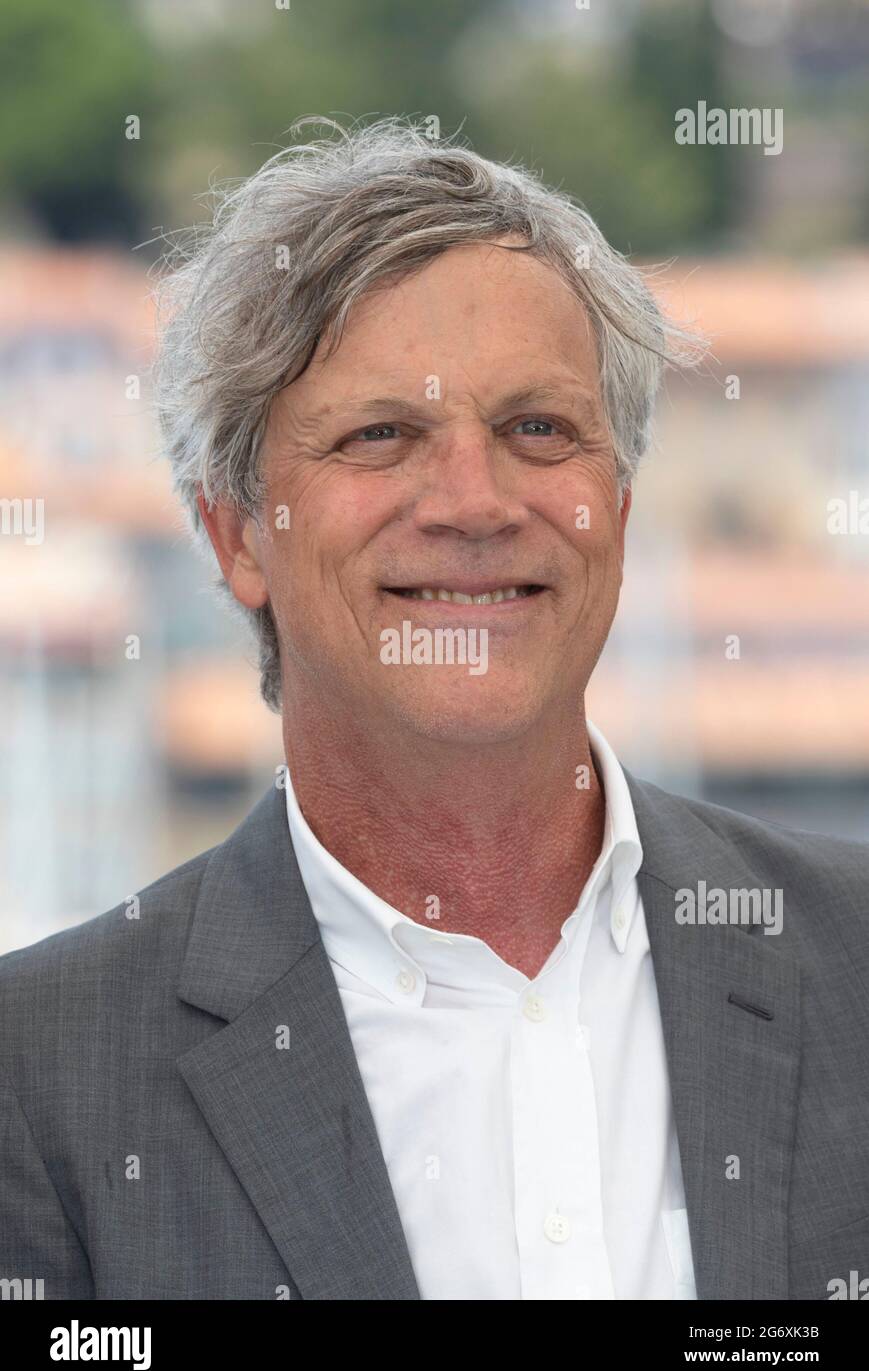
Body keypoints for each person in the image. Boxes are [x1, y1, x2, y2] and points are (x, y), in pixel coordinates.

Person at [1, 118, 867, 1301]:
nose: (472, 499)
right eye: (381, 435)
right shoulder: (39, 1081)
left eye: (535, 429)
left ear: (614, 508)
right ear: (236, 535)